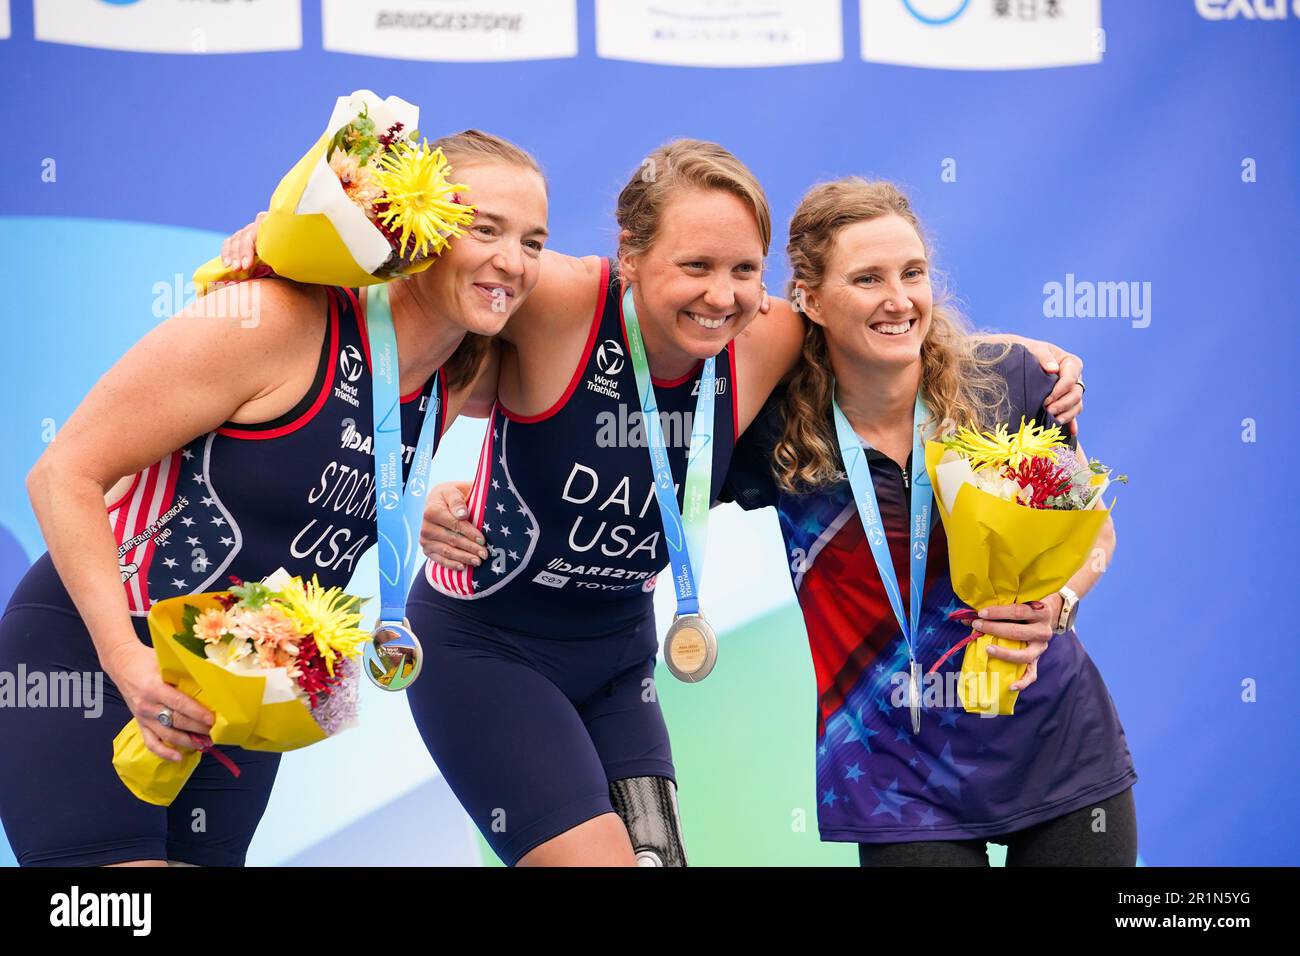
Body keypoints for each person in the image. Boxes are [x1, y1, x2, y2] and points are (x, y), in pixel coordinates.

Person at [415, 141, 1087, 866]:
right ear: (631, 255)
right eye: (695, 266)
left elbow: (887, 329)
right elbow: (427, 286)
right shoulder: (558, 299)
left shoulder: (768, 335)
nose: (721, 295)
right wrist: (274, 242)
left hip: (618, 659)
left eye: (744, 270)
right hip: (485, 644)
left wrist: (1023, 356)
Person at [0, 130, 549, 867]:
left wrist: (402, 506)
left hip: (244, 688)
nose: (512, 260)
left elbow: (312, 459)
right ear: (415, 225)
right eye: (484, 229)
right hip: (90, 659)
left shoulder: (453, 379)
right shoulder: (275, 317)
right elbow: (61, 475)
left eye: (534, 241)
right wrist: (127, 664)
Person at [720, 177, 1137, 866]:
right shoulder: (770, 431)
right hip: (893, 774)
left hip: (1055, 745)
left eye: (913, 273)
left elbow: (1092, 528)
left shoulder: (1008, 384)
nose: (898, 298)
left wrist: (1058, 604)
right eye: (867, 278)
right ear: (811, 299)